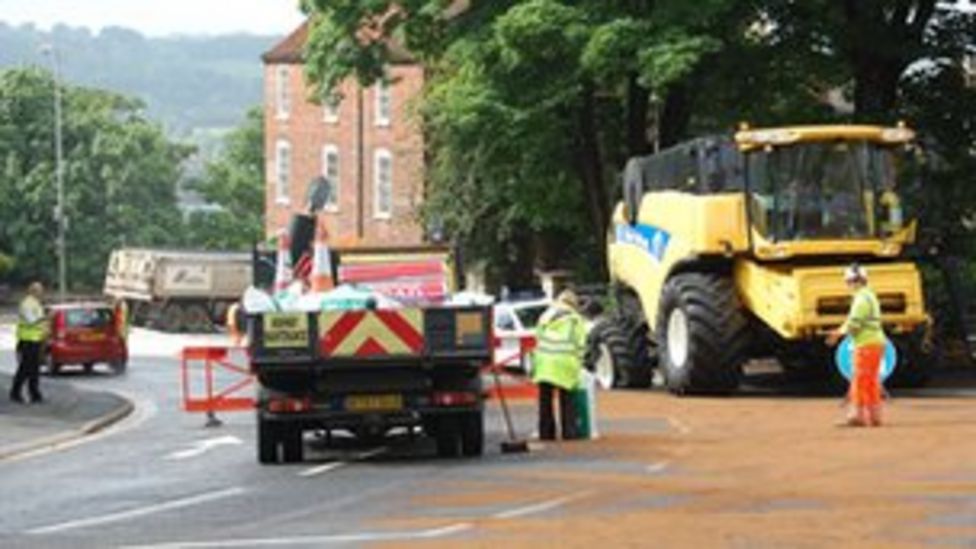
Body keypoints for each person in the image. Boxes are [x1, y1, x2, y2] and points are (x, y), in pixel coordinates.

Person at [826, 264, 886, 427]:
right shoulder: (870, 296)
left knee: (860, 381)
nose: (848, 286)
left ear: (855, 281)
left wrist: (837, 334)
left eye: (849, 282)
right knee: (871, 381)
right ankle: (875, 416)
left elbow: (854, 323)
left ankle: (857, 416)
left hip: (865, 344)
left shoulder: (861, 299)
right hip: (876, 342)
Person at [531, 289, 587, 440]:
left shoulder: (546, 315)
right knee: (567, 400)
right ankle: (569, 432)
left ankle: (546, 433)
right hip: (565, 362)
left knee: (545, 401)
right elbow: (580, 344)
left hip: (544, 362)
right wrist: (580, 363)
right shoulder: (575, 319)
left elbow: (538, 337)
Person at [10, 282, 47, 404]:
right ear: (33, 291)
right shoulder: (26, 304)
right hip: (27, 341)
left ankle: (35, 394)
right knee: (25, 368)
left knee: (34, 369)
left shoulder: (36, 303)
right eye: (40, 290)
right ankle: (15, 392)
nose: (42, 292)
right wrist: (46, 317)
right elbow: (31, 320)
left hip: (35, 340)